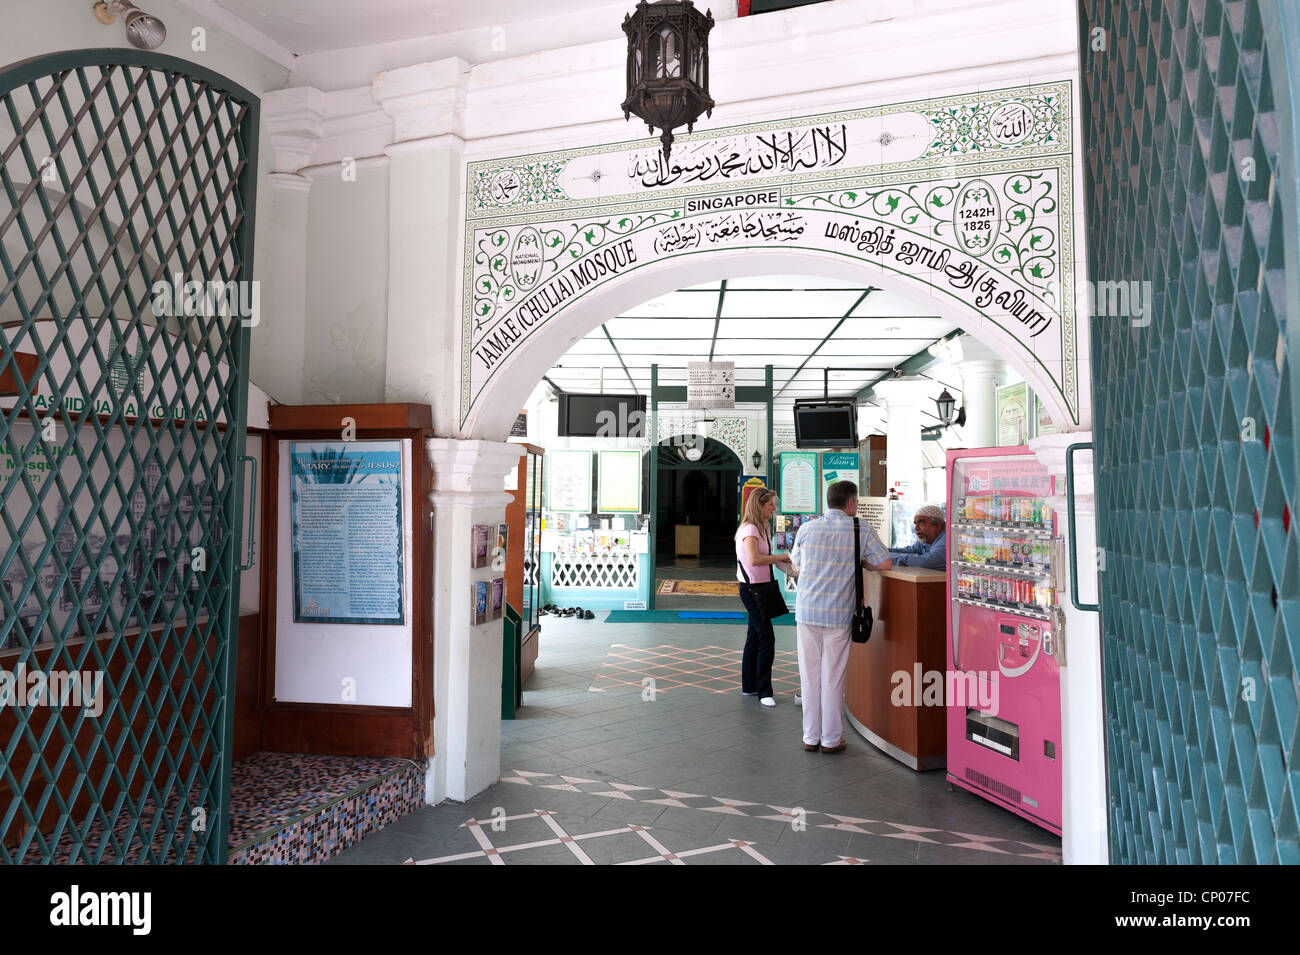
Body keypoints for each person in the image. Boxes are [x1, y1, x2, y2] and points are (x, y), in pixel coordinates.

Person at [788, 480, 891, 752]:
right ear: (850, 504)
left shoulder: (808, 528)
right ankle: (831, 740)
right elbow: (885, 563)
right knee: (833, 677)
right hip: (838, 615)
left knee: (809, 677)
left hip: (807, 611)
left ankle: (810, 738)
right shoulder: (860, 528)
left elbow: (796, 565)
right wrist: (861, 562)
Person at [735, 488, 793, 708]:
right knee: (767, 639)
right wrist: (779, 557)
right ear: (759, 506)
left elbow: (769, 558)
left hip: (762, 588)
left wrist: (791, 570)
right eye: (770, 505)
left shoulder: (763, 528)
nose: (774, 508)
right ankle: (764, 691)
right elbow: (754, 559)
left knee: (754, 638)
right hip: (752, 590)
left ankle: (749, 686)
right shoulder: (750, 529)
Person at [889, 504, 947, 570]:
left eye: (921, 523)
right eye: (915, 524)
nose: (916, 528)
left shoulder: (946, 540)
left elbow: (925, 562)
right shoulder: (927, 540)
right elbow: (908, 551)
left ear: (937, 525)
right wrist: (881, 551)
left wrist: (884, 557)